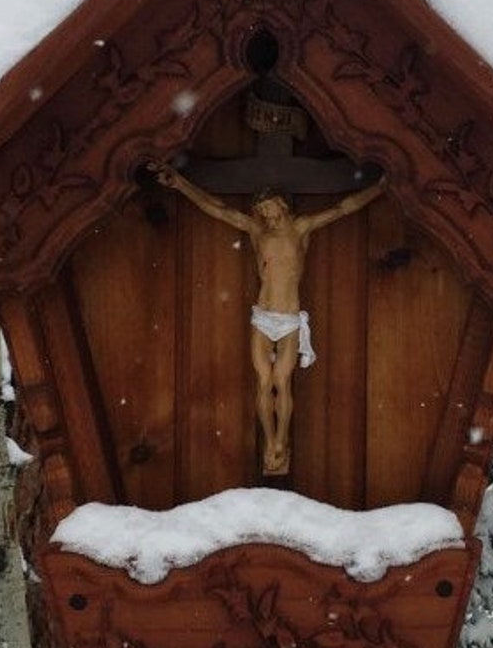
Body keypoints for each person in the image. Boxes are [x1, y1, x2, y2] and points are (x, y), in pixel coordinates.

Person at [151, 161, 384, 475]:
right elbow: (218, 209)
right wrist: (180, 184)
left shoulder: (301, 227)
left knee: (282, 381)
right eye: (263, 211)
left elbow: (344, 208)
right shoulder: (256, 229)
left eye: (270, 209)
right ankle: (269, 442)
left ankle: (282, 441)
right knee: (263, 382)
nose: (267, 215)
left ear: (282, 205)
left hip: (288, 319)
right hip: (263, 317)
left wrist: (380, 188)